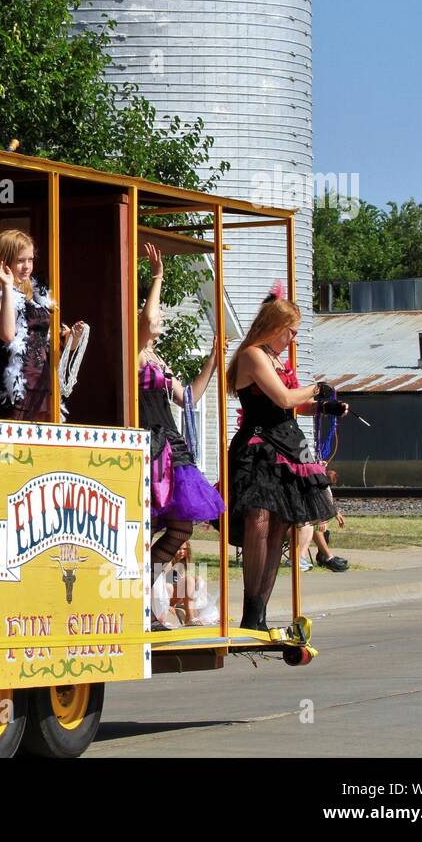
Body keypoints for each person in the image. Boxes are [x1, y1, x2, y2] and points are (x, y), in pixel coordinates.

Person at [226, 295, 347, 630]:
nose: (292, 338)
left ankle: (259, 614)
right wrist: (316, 388)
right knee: (260, 522)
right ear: (274, 327)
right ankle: (250, 612)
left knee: (279, 526)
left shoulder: (275, 360)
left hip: (286, 445)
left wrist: (324, 407)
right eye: (290, 331)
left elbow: (290, 406)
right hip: (260, 446)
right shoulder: (253, 355)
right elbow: (283, 398)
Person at [138, 243, 226, 587]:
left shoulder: (157, 359)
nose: (160, 319)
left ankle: (144, 587)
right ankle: (141, 593)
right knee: (152, 525)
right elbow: (146, 318)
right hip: (151, 443)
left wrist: (213, 362)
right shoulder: (136, 353)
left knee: (182, 528)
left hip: (171, 444)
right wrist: (157, 276)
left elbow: (188, 397)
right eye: (156, 314)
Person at [0, 229, 85, 421]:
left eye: (30, 260)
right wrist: (6, 286)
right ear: (3, 262)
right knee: (12, 450)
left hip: (42, 385)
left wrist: (73, 337)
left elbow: (53, 341)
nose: (27, 267)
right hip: (11, 389)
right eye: (20, 260)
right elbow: (8, 334)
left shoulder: (37, 297)